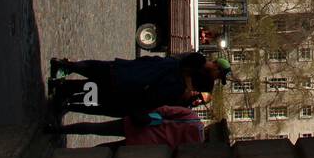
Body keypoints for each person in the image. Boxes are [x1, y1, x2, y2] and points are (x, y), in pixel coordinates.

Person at [48, 54, 232, 116]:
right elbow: (155, 95)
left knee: (98, 78)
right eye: (218, 75)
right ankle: (65, 68)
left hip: (137, 74)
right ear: (216, 66)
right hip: (137, 78)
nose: (216, 78)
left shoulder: (189, 70)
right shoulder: (193, 66)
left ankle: (63, 84)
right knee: (98, 72)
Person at [48, 104, 206, 147]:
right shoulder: (195, 146)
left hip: (142, 125)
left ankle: (58, 129)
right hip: (145, 145)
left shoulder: (192, 118)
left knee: (97, 128)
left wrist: (149, 114)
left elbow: (165, 110)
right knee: (105, 150)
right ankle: (69, 156)